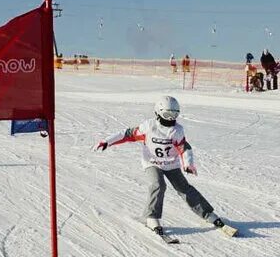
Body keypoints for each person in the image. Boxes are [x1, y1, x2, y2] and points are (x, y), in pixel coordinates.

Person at [94, 96, 228, 237]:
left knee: (185, 189)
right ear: (158, 113)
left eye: (174, 115)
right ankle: (152, 217)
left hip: (171, 164)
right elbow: (127, 134)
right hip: (152, 162)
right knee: (158, 185)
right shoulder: (149, 126)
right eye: (167, 115)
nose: (171, 119)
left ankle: (208, 214)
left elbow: (184, 148)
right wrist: (107, 142)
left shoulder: (177, 130)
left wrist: (188, 164)